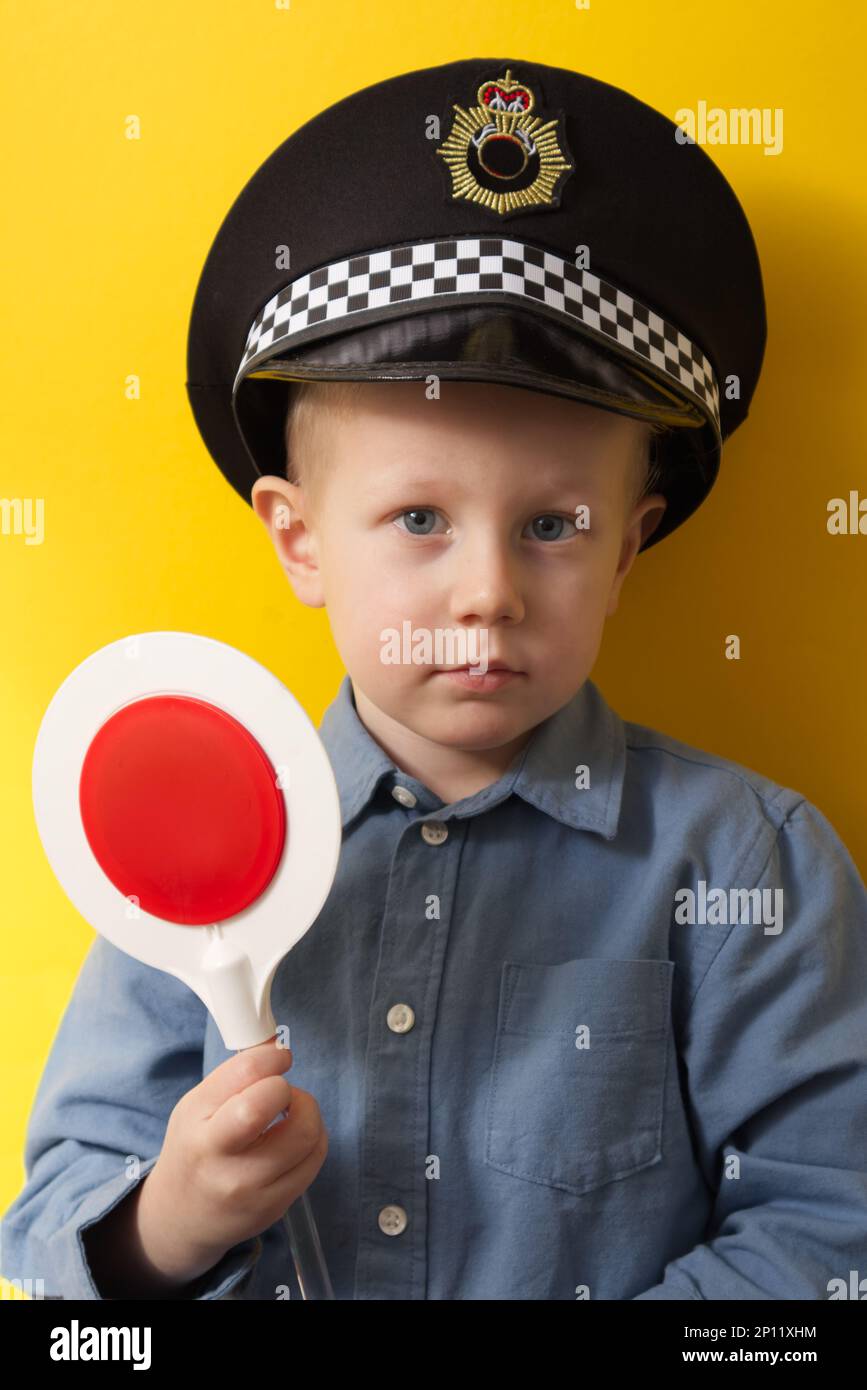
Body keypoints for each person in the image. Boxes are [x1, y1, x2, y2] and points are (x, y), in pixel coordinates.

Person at [3, 57, 866, 1301]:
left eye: (554, 526)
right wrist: (167, 1227)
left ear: (628, 548)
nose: (488, 592)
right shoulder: (189, 866)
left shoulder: (748, 868)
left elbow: (829, 1230)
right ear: (299, 539)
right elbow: (57, 1228)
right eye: (417, 517)